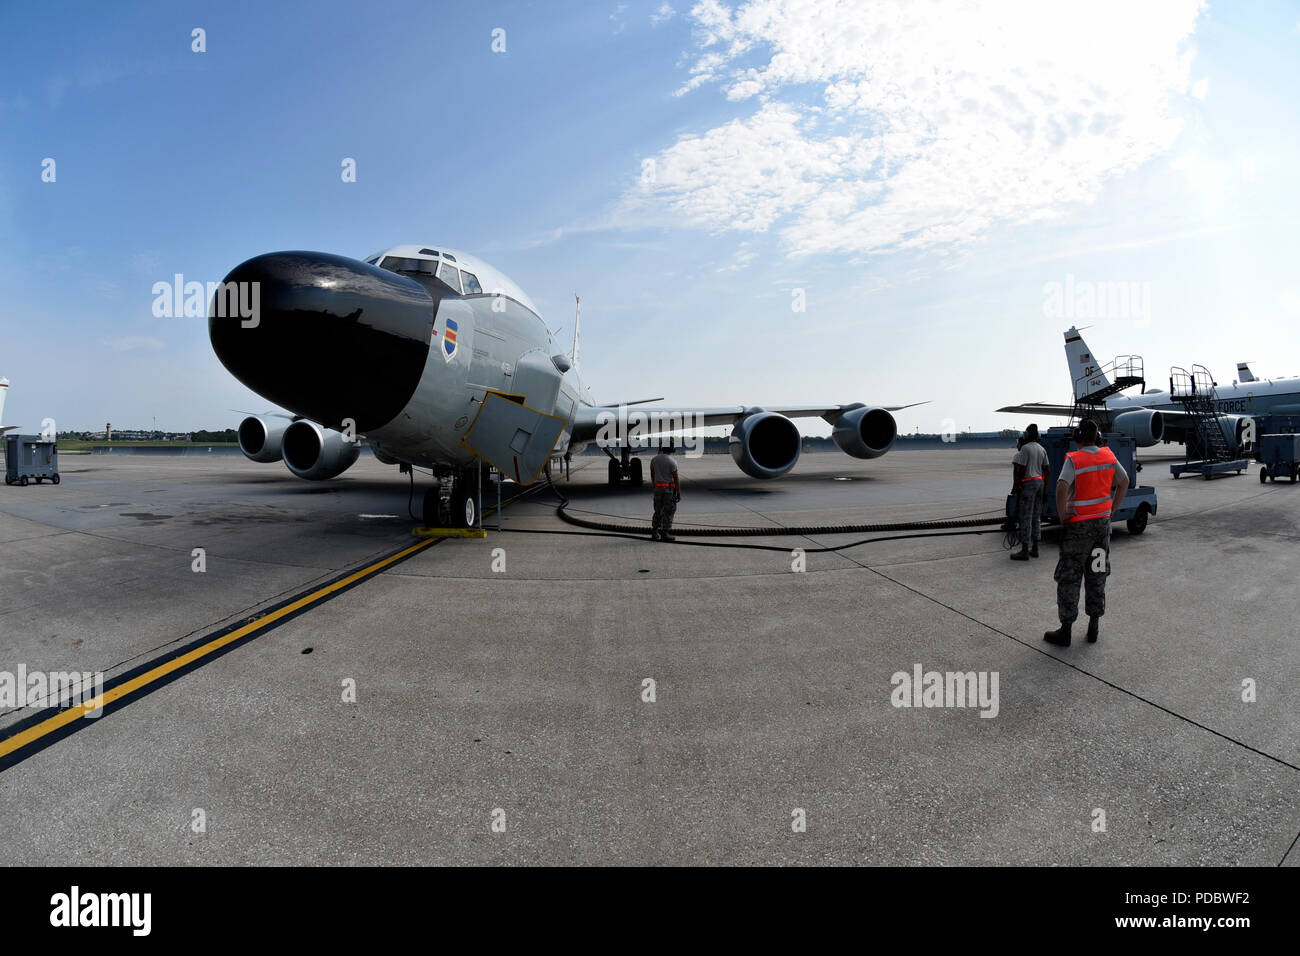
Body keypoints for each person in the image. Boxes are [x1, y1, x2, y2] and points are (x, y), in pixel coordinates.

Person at [1045, 419, 1129, 647]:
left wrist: (1063, 517)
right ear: (1098, 437)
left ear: (1079, 437)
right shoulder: (1108, 456)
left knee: (1070, 576)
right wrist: (1111, 510)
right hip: (1102, 527)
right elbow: (1124, 482)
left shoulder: (1075, 458)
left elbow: (1062, 486)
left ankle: (1066, 630)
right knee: (1097, 574)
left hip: (1078, 528)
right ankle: (1094, 626)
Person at [1010, 423, 1049, 560]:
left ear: (1026, 435)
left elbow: (1020, 470)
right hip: (1040, 484)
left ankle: (1025, 550)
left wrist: (1015, 489)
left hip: (1029, 484)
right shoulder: (1042, 449)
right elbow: (1047, 470)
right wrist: (1045, 490)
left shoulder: (1025, 449)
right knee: (1036, 517)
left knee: (1025, 517)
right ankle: (1035, 548)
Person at [649, 444, 680, 542]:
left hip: (658, 489)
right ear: (671, 449)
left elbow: (652, 474)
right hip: (668, 490)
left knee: (658, 510)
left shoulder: (654, 459)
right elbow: (676, 479)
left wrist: (655, 486)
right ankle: (665, 533)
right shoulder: (672, 461)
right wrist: (678, 492)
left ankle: (654, 532)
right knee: (668, 511)